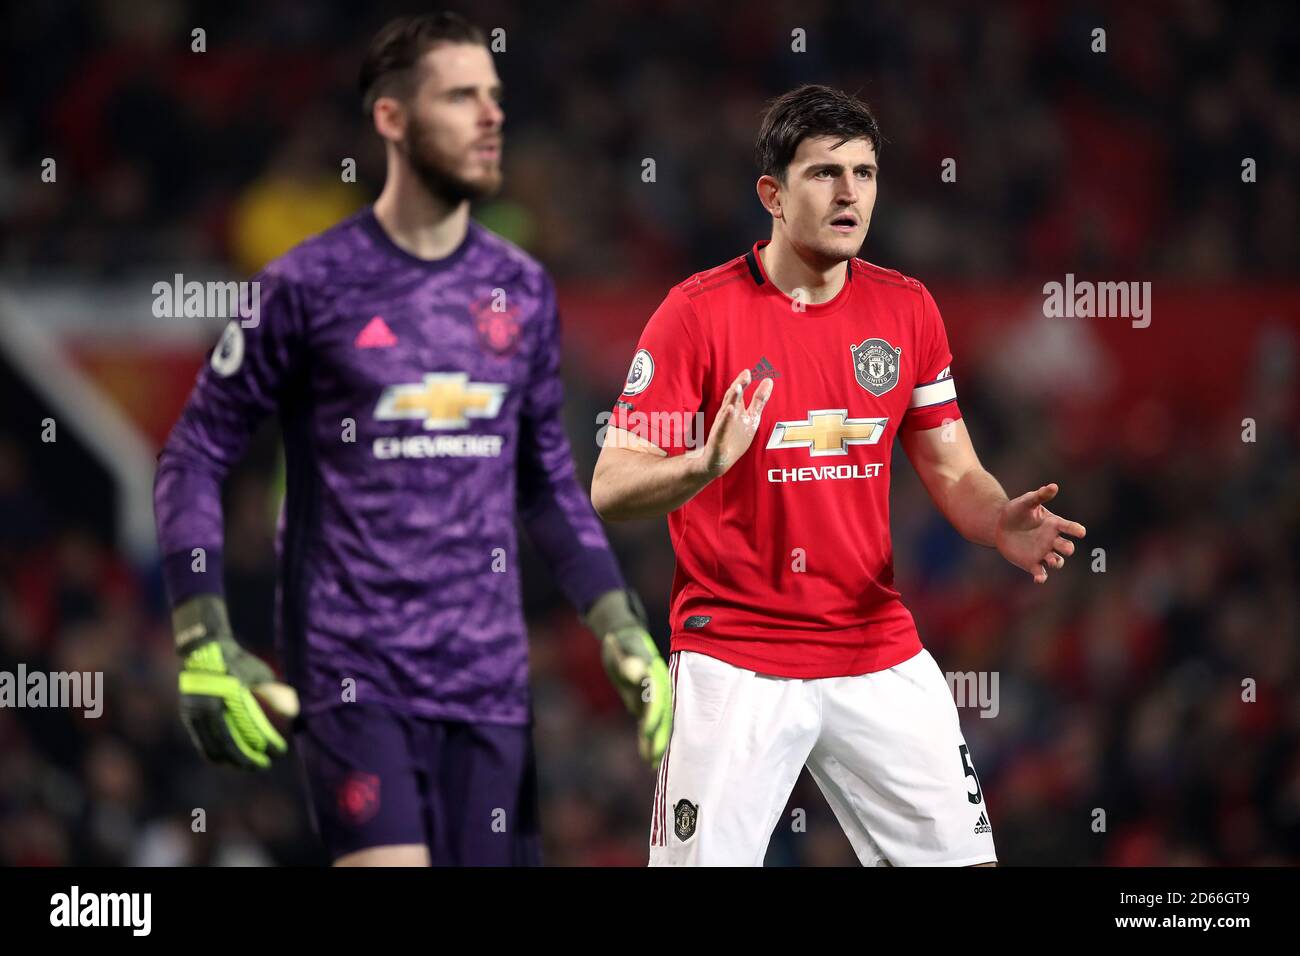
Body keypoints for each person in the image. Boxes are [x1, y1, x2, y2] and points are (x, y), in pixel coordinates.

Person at [153, 12, 670, 867]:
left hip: (491, 687)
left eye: (495, 96)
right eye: (460, 96)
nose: (490, 115)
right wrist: (202, 635)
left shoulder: (522, 291)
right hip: (356, 678)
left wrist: (619, 623)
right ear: (390, 118)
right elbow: (195, 452)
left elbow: (544, 482)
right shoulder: (305, 287)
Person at [591, 84, 1087, 866]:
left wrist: (997, 521)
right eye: (824, 172)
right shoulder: (696, 315)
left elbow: (954, 467)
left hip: (874, 647)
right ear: (773, 195)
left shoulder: (907, 310)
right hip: (736, 654)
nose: (850, 192)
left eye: (864, 172)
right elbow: (611, 485)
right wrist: (703, 463)